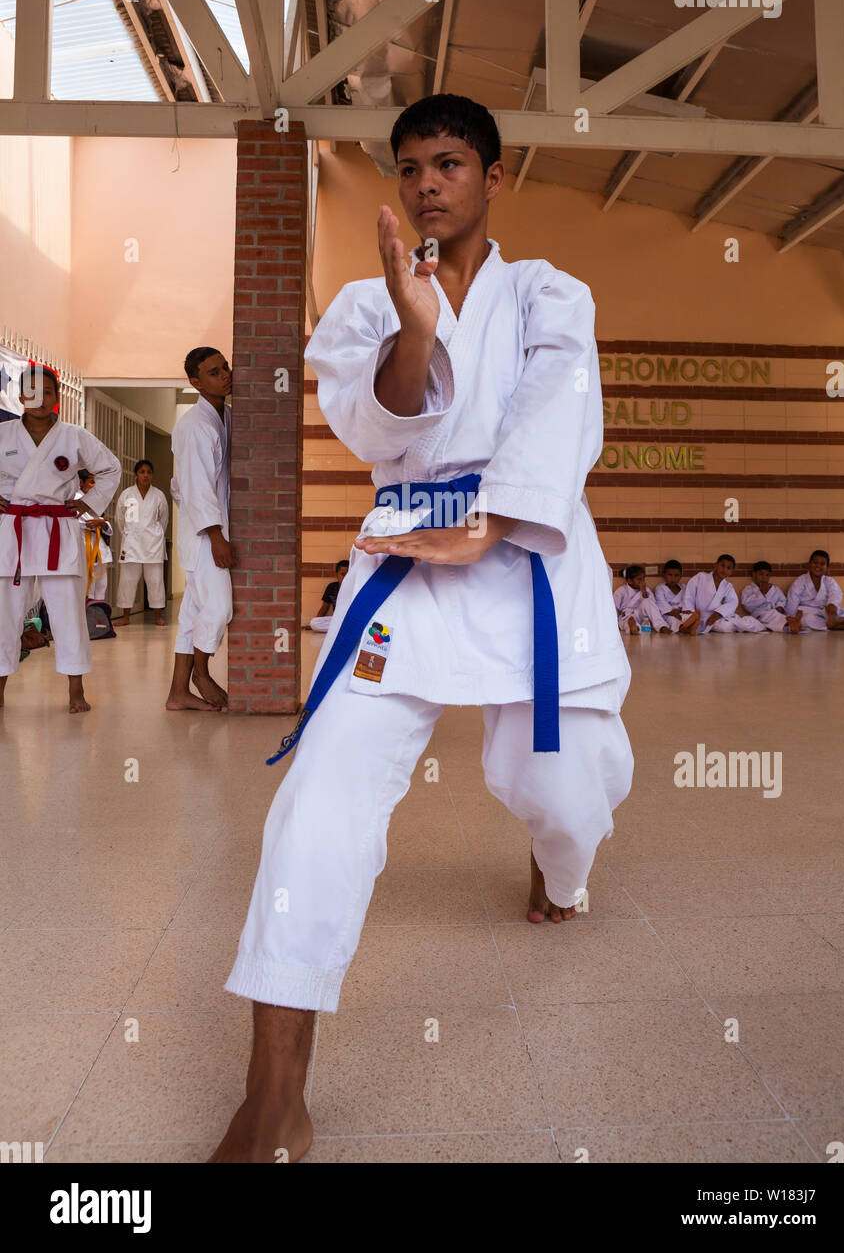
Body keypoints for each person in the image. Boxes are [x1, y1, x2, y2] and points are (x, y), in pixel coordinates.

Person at [211, 93, 634, 1163]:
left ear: (495, 177)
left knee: (556, 785)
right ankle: (275, 1098)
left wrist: (494, 512)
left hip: (525, 546)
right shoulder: (366, 302)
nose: (426, 183)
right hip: (406, 554)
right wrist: (413, 326)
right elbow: (371, 420)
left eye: (448, 162)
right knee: (321, 795)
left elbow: (557, 401)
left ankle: (557, 864)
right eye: (409, 168)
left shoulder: (550, 293)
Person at [0, 364, 121, 711]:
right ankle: (0, 684)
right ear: (21, 395)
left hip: (58, 528)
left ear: (56, 398)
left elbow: (110, 467)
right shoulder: (5, 434)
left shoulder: (74, 436)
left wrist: (88, 502)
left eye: (48, 392)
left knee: (68, 609)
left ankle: (75, 689)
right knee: (3, 612)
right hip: (15, 528)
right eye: (33, 391)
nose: (40, 398)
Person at [165, 349, 235, 711]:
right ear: (195, 382)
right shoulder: (195, 425)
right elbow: (195, 487)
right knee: (219, 606)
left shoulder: (224, 415)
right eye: (213, 372)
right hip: (204, 535)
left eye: (225, 367)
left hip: (209, 530)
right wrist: (216, 536)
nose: (225, 374)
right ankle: (201, 674)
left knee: (193, 612)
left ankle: (177, 693)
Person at [115, 460, 169, 626]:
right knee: (127, 581)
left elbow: (164, 519)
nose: (145, 475)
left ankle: (158, 616)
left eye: (148, 472)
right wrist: (129, 534)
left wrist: (155, 534)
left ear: (151, 475)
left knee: (155, 581)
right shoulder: (127, 494)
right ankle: (125, 616)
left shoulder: (159, 495)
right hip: (131, 544)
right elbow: (119, 519)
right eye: (142, 472)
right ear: (136, 474)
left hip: (153, 544)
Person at [680, 554, 766, 635]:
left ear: (731, 572)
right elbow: (689, 594)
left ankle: (689, 627)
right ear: (716, 565)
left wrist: (717, 614)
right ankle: (690, 624)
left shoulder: (728, 586)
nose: (724, 570)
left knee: (726, 627)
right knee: (686, 617)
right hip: (697, 614)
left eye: (728, 568)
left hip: (715, 618)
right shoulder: (700, 577)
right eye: (722, 565)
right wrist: (689, 609)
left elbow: (732, 602)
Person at [785, 550, 844, 632]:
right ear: (810, 564)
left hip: (827, 614)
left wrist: (832, 605)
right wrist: (793, 618)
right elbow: (792, 601)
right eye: (815, 562)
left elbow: (835, 594)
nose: (818, 566)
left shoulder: (829, 581)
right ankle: (837, 625)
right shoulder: (800, 581)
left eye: (822, 564)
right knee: (807, 620)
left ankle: (834, 623)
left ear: (827, 567)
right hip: (807, 613)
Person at [76, 469, 114, 601]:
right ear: (81, 482)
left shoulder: (95, 500)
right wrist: (101, 522)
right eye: (92, 482)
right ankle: (87, 620)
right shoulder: (75, 498)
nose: (94, 486)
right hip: (84, 546)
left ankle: (97, 618)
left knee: (101, 587)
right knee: (87, 589)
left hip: (100, 547)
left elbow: (107, 526)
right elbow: (86, 521)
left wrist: (102, 523)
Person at [740, 560, 801, 633]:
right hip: (759, 615)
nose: (764, 578)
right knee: (749, 621)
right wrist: (761, 593)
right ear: (753, 574)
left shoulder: (775, 588)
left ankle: (790, 625)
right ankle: (788, 623)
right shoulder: (749, 589)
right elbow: (746, 605)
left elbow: (782, 600)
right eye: (761, 574)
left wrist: (780, 607)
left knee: (773, 616)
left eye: (767, 575)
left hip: (774, 613)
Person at [613, 564, 672, 634]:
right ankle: (634, 627)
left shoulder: (646, 590)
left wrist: (643, 592)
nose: (642, 582)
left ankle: (661, 626)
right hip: (627, 615)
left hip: (641, 615)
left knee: (647, 601)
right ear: (629, 581)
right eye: (639, 579)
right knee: (627, 622)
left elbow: (652, 607)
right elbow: (614, 607)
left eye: (643, 579)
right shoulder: (621, 591)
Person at [652, 559, 698, 635]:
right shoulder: (660, 588)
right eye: (670, 575)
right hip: (668, 614)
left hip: (681, 613)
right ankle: (685, 629)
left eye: (676, 575)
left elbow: (687, 602)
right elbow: (662, 604)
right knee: (673, 620)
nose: (673, 578)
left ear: (681, 576)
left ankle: (691, 624)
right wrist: (673, 612)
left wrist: (685, 611)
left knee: (688, 616)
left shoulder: (683, 587)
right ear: (664, 574)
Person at [308, 558, 349, 633]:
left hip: (349, 620)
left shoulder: (354, 588)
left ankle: (342, 630)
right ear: (336, 575)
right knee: (314, 623)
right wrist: (317, 621)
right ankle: (342, 630)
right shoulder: (331, 587)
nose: (345, 577)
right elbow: (324, 607)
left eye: (348, 574)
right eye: (342, 574)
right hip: (335, 620)